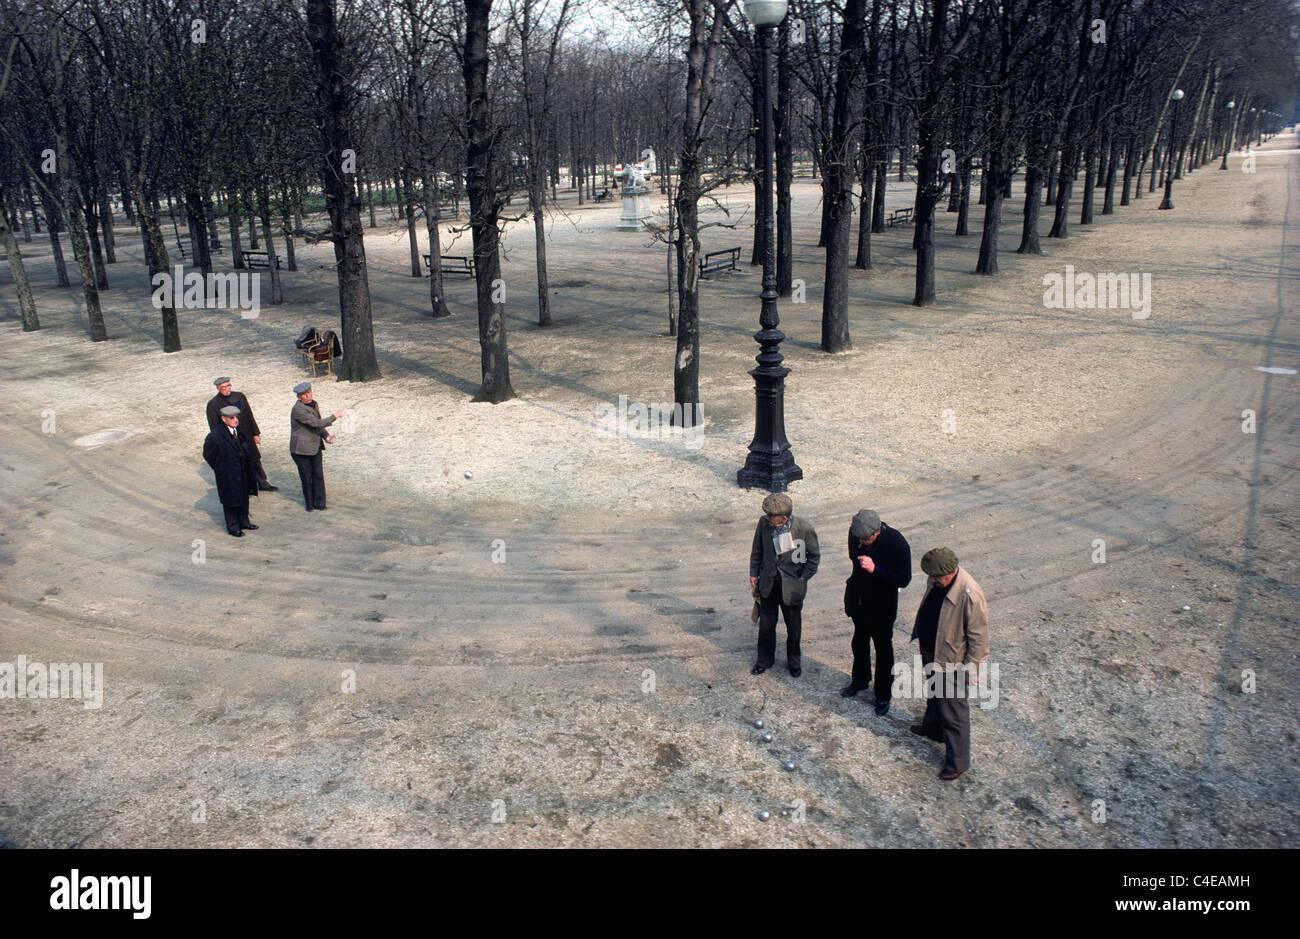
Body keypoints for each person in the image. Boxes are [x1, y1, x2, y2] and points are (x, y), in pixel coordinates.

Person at [909, 547, 989, 780]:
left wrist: (972, 669)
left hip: (951, 660)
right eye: (930, 576)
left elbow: (979, 638)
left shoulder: (970, 594)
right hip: (932, 649)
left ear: (950, 572)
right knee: (935, 693)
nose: (931, 580)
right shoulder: (938, 579)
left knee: (954, 711)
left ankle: (958, 763)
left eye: (935, 576)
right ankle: (933, 729)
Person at [842, 509, 911, 715]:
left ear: (877, 532)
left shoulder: (897, 543)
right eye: (859, 538)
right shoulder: (856, 534)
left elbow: (903, 579)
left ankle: (882, 695)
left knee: (883, 651)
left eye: (866, 539)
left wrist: (876, 569)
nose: (861, 542)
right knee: (859, 642)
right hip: (860, 600)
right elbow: (854, 559)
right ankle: (860, 681)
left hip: (882, 605)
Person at [748, 493, 820, 677]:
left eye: (771, 517)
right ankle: (764, 660)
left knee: (793, 629)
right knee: (766, 627)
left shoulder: (803, 528)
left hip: (792, 587)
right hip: (768, 584)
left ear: (784, 518)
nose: (767, 518)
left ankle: (794, 662)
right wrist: (754, 573)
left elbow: (813, 557)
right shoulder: (763, 524)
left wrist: (803, 578)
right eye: (767, 515)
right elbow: (757, 550)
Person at [205, 376, 276, 491]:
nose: (226, 389)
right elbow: (214, 427)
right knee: (239, 463)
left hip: (247, 434)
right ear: (218, 389)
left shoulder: (240, 396)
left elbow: (249, 415)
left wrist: (255, 433)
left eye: (228, 386)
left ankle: (262, 482)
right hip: (231, 439)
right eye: (223, 387)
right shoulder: (213, 404)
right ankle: (246, 487)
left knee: (254, 459)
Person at [202, 405, 259, 537]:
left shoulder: (238, 430)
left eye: (236, 417)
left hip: (243, 471)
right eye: (231, 418)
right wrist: (221, 468)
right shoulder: (215, 436)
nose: (235, 420)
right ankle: (233, 527)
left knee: (244, 497)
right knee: (231, 501)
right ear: (223, 419)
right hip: (228, 475)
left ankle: (244, 521)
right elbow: (208, 454)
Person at [290, 381, 344, 512]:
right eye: (304, 394)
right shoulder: (298, 409)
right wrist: (334, 416)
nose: (308, 396)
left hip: (315, 447)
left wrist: (326, 436)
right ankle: (310, 504)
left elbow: (319, 426)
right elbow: (315, 423)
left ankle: (320, 503)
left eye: (309, 392)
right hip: (301, 450)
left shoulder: (313, 404)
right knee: (306, 477)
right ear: (299, 397)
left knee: (318, 475)